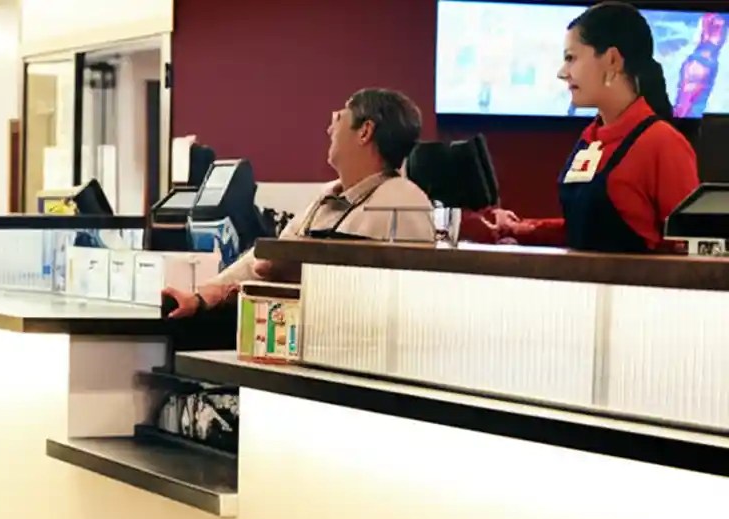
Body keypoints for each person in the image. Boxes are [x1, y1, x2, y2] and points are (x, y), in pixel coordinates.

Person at [163, 88, 435, 318]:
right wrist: (204, 296)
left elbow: (390, 296)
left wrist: (291, 270)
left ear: (365, 131)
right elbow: (267, 258)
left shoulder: (403, 204)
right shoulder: (328, 196)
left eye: (339, 117)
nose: (330, 128)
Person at [482, 2, 700, 251]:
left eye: (571, 58)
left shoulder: (663, 143)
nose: (562, 73)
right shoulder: (590, 139)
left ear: (612, 60)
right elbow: (584, 231)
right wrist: (522, 229)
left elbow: (688, 247)